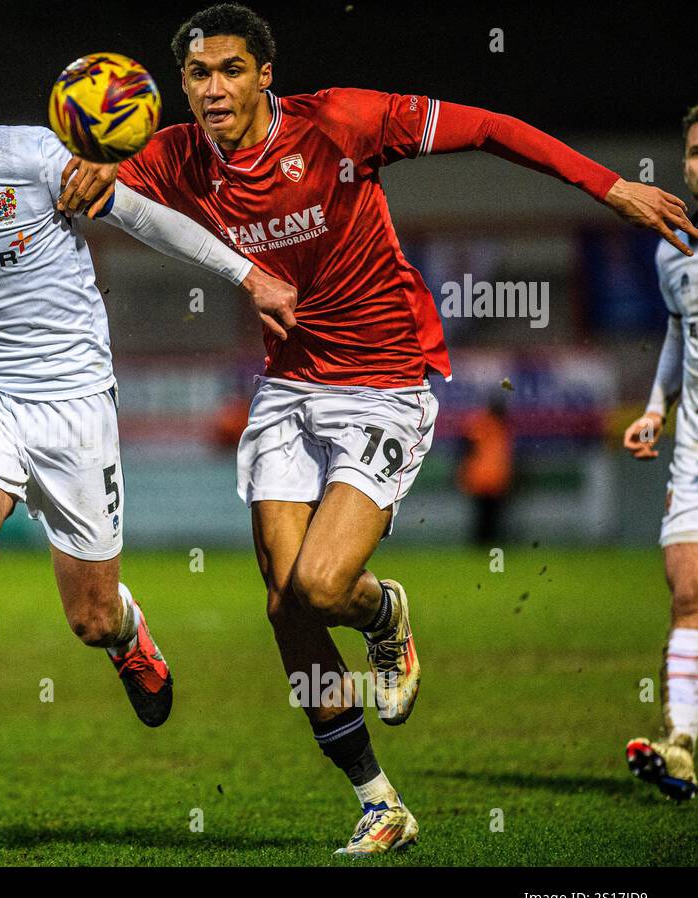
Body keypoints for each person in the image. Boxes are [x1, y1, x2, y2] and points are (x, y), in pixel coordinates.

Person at [58, 3, 698, 853]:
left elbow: (492, 128)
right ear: (180, 85)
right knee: (285, 603)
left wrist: (608, 184)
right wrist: (84, 172)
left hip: (386, 380)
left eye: (232, 69)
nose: (215, 88)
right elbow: (84, 178)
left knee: (325, 587)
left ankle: (385, 616)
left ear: (264, 74)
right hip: (288, 387)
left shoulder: (342, 122)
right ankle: (378, 801)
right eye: (199, 74)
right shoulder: (173, 155)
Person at [0, 33, 296, 845]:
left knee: (89, 616)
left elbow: (151, 221)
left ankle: (129, 635)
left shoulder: (44, 158)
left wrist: (248, 276)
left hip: (72, 401)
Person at [621, 103, 698, 802]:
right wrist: (655, 408)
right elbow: (680, 334)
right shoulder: (671, 244)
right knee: (687, 591)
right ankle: (681, 746)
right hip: (695, 451)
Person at [457, 395, 514, 545]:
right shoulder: (489, 425)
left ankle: (484, 545)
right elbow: (468, 446)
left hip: (487, 477)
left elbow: (467, 447)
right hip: (487, 478)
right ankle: (486, 545)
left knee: (487, 516)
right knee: (488, 516)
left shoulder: (485, 424)